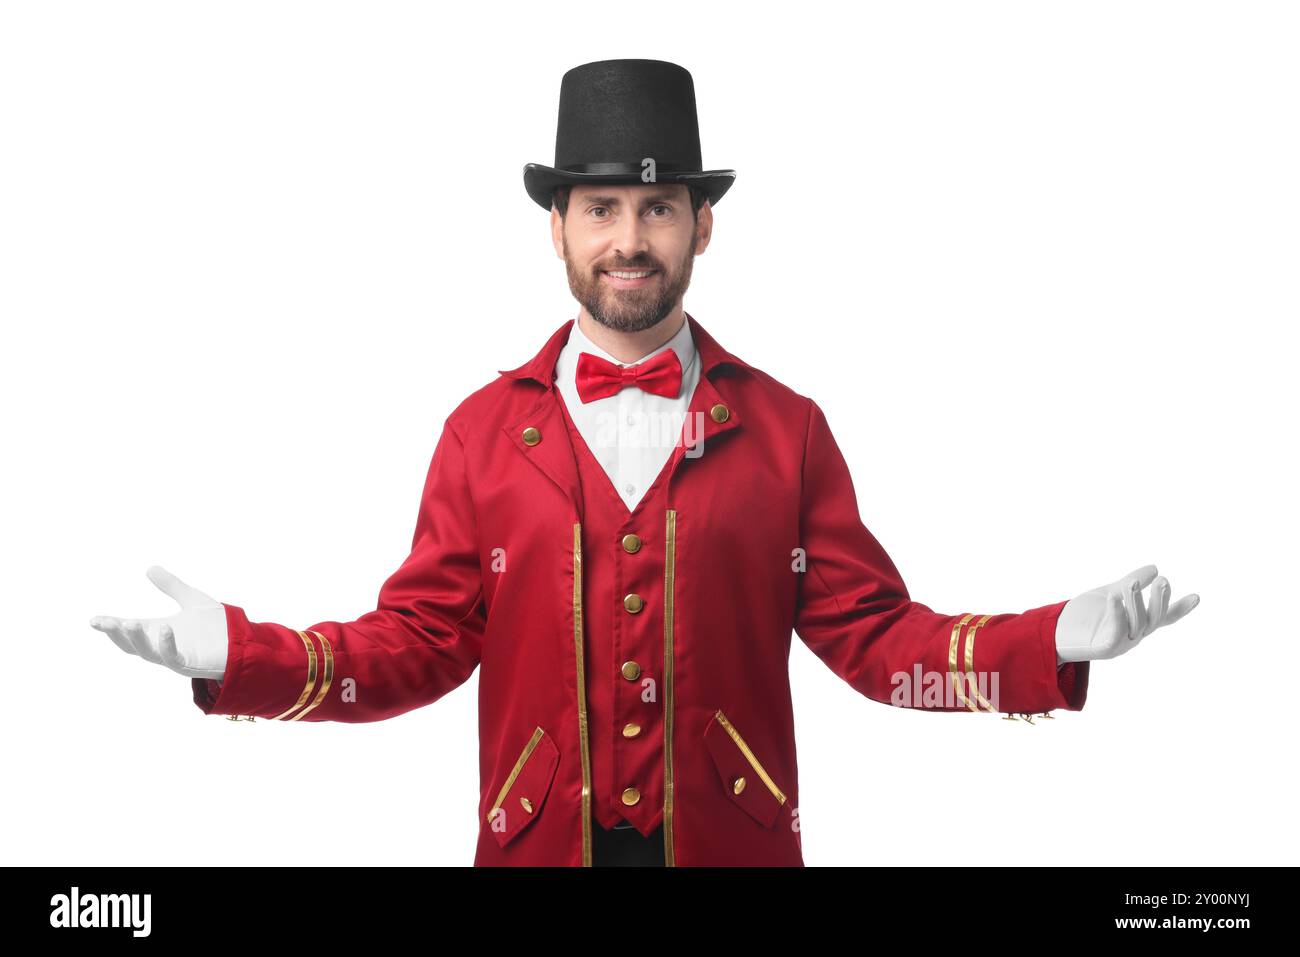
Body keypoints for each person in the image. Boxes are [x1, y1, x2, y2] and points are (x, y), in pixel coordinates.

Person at [89, 59, 1199, 867]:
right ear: (558, 227)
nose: (630, 239)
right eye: (602, 208)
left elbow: (874, 642)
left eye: (659, 208)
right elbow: (417, 644)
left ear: (701, 226)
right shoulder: (479, 433)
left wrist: (1044, 642)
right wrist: (248, 657)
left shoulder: (788, 429)